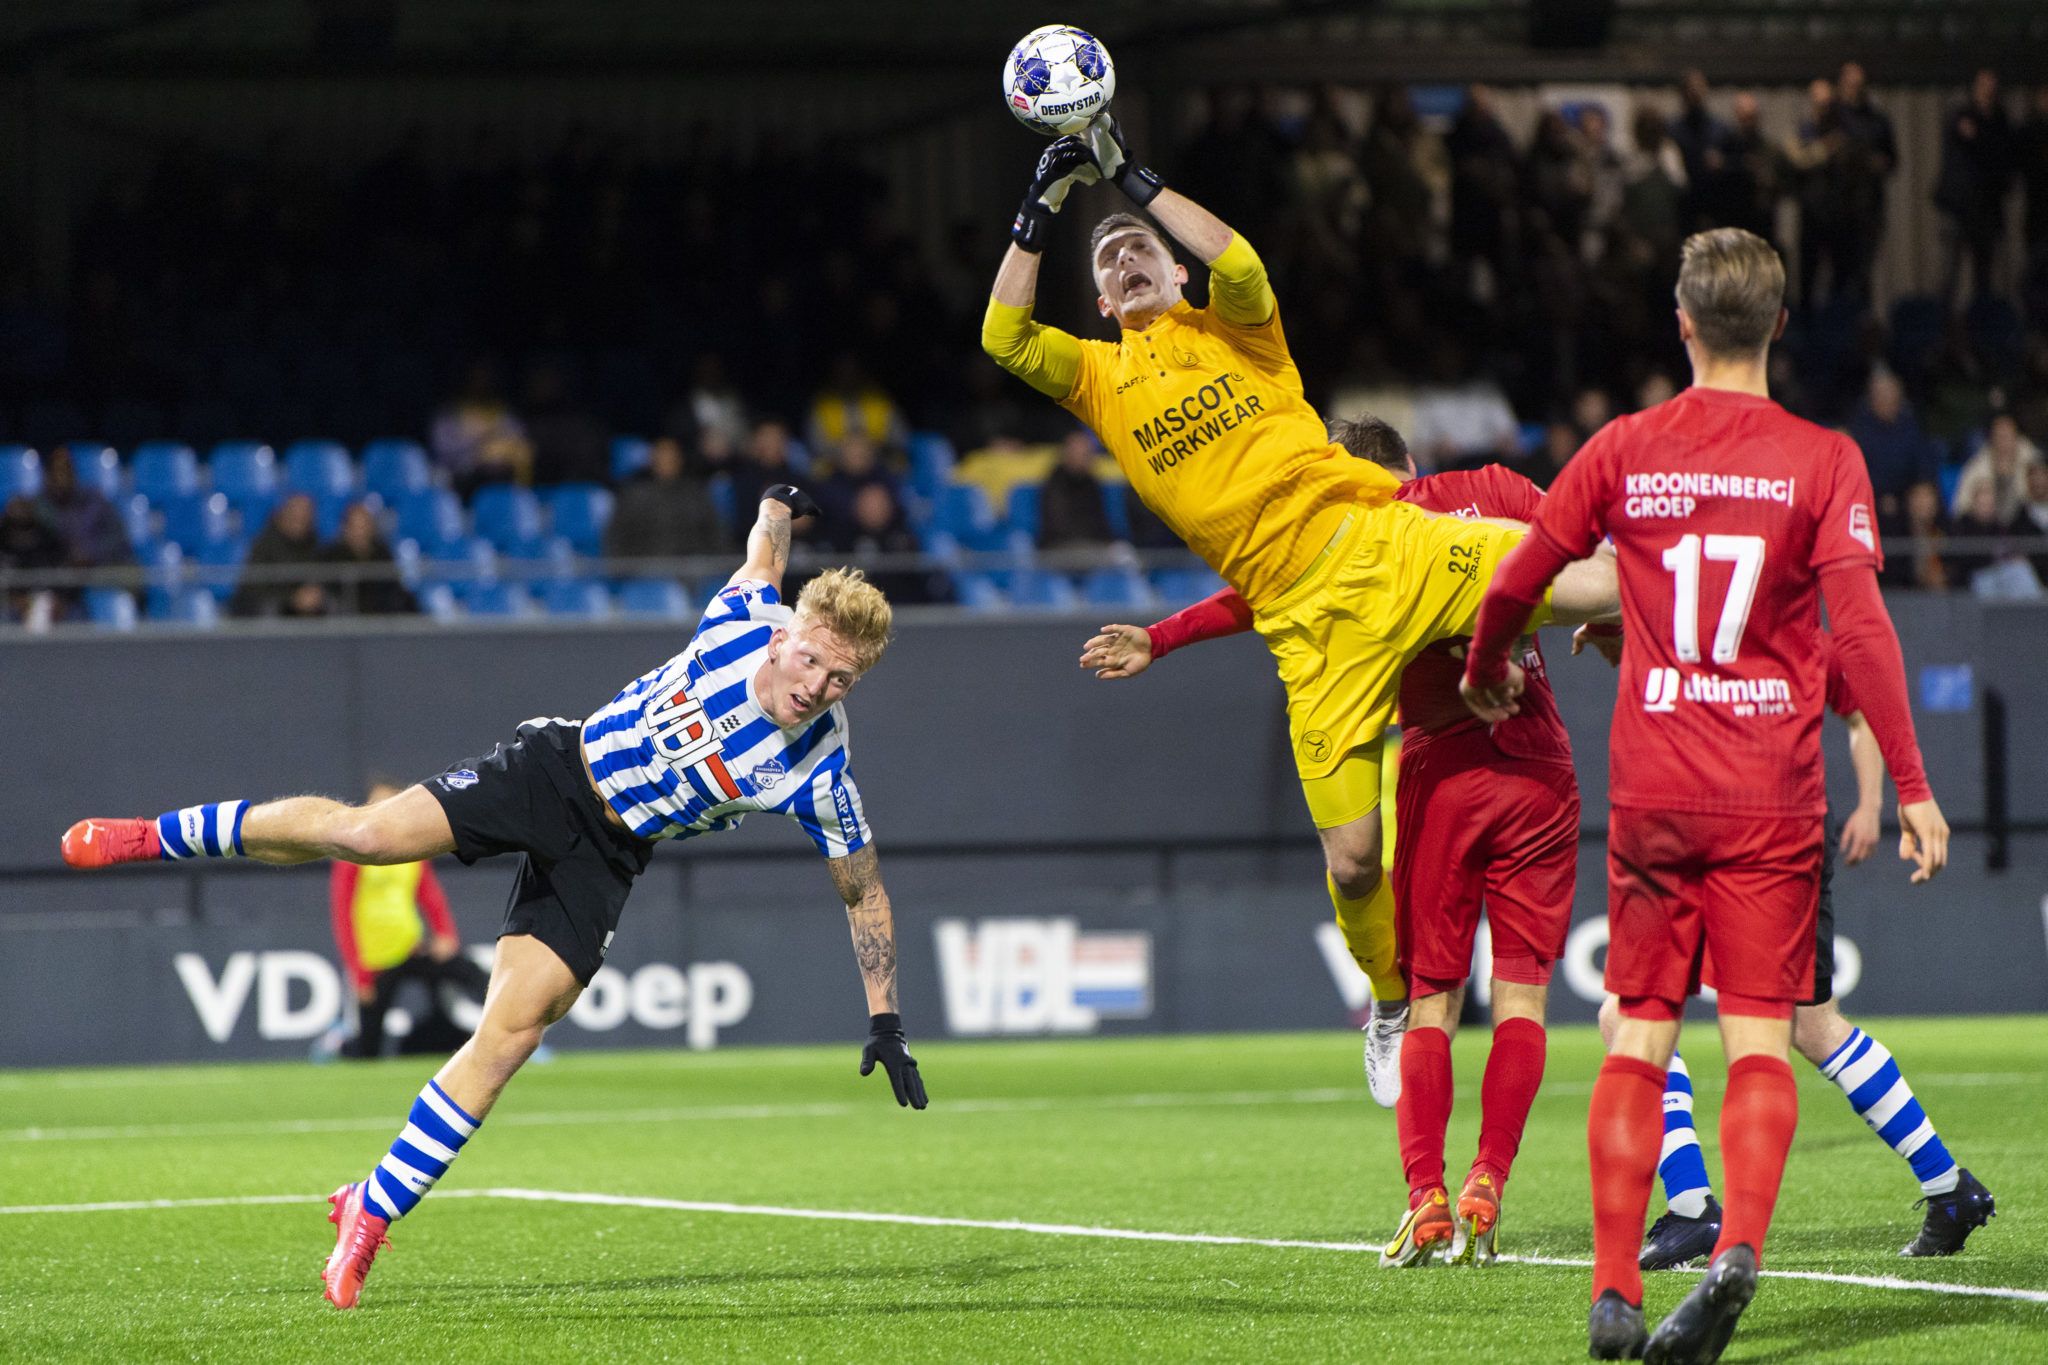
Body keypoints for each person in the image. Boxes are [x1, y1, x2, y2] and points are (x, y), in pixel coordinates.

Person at [59, 487, 929, 1309]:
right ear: (788, 639)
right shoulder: (747, 618)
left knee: (512, 1031)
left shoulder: (820, 770)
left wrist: (885, 1020)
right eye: (814, 660)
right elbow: (765, 555)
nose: (817, 687)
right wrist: (776, 501)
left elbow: (864, 892)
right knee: (368, 837)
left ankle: (370, 1206)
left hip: (611, 853)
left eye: (841, 680)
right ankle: (153, 834)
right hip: (552, 771)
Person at [981, 114, 1619, 1115]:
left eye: (1141, 248)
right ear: (1100, 303)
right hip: (1299, 623)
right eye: (1109, 263)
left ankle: (1750, 631)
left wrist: (1131, 182)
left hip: (1380, 545)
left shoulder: (1242, 331)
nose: (1127, 257)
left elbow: (1233, 254)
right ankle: (1387, 1000)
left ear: (1173, 275)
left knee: (1601, 579)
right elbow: (1001, 335)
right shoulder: (1098, 381)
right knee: (1355, 860)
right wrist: (1040, 209)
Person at [1459, 227, 1947, 1361]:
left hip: (1655, 793)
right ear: (1780, 325)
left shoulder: (1624, 447)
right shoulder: (1824, 459)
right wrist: (1910, 785)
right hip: (1771, 797)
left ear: (1679, 324)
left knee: (1634, 1036)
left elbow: (1516, 574)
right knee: (1759, 1045)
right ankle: (1740, 1252)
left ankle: (1616, 1288)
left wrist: (1486, 667)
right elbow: (1861, 631)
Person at [1080, 414, 1606, 1265]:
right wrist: (1610, 622)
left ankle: (1426, 1196)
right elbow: (1578, 556)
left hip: (1444, 774)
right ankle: (1488, 1182)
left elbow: (1254, 599)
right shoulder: (1497, 489)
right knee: (1522, 998)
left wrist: (1162, 637)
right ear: (1408, 458)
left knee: (1432, 1000)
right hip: (1539, 767)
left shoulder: (1346, 535)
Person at [1619, 648, 1994, 1271]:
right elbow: (1861, 706)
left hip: (1728, 831)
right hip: (1766, 828)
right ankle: (1948, 1187)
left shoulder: (1715, 604)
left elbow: (1861, 709)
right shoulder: (1794, 622)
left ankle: (1695, 1212)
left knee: (1639, 1014)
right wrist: (1878, 800)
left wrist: (1876, 801)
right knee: (1809, 1026)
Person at [329, 780, 486, 1059]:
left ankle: (513, 1033)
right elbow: (343, 916)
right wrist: (359, 973)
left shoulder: (410, 851)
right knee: (369, 1046)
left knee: (471, 974)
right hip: (375, 960)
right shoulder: (352, 856)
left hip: (411, 947)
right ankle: (337, 1045)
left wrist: (444, 935)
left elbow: (430, 897)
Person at [1934, 70, 2017, 308]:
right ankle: (1944, 331)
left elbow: (2001, 156)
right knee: (1949, 272)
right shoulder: (1961, 114)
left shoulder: (2000, 119)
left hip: (1987, 206)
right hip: (1959, 205)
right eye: (1983, 86)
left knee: (1984, 273)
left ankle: (1981, 328)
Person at [604, 436, 731, 563]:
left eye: (671, 458)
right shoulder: (634, 496)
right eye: (661, 457)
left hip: (692, 571)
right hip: (645, 571)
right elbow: (617, 539)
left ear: (680, 460)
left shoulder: (697, 495)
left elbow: (717, 536)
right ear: (652, 461)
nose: (666, 462)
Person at [231, 493, 328, 619]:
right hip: (274, 617)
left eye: (305, 516)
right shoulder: (264, 545)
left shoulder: (316, 545)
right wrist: (292, 598)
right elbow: (253, 589)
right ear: (283, 515)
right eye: (295, 515)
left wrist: (316, 594)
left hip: (308, 615)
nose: (300, 519)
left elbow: (325, 578)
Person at [323, 502, 417, 616]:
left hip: (380, 622)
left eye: (364, 525)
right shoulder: (332, 556)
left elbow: (392, 590)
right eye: (355, 526)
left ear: (372, 527)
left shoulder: (382, 554)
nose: (360, 532)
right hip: (344, 622)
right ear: (346, 528)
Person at [1038, 431, 1116, 549]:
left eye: (1088, 453)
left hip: (1092, 545)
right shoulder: (1055, 484)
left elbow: (1101, 523)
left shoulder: (1091, 483)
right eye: (1081, 454)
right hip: (1059, 547)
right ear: (1067, 453)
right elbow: (1057, 526)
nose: (1086, 458)